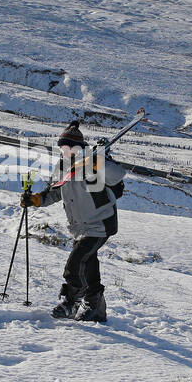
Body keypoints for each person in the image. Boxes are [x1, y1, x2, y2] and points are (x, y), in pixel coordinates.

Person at [20, 120, 126, 322]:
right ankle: (95, 308)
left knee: (76, 263)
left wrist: (98, 163)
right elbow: (55, 192)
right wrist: (36, 200)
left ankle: (71, 303)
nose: (66, 150)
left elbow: (118, 175)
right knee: (88, 264)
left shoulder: (94, 161)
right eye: (63, 147)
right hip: (80, 227)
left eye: (71, 146)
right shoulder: (62, 167)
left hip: (101, 223)